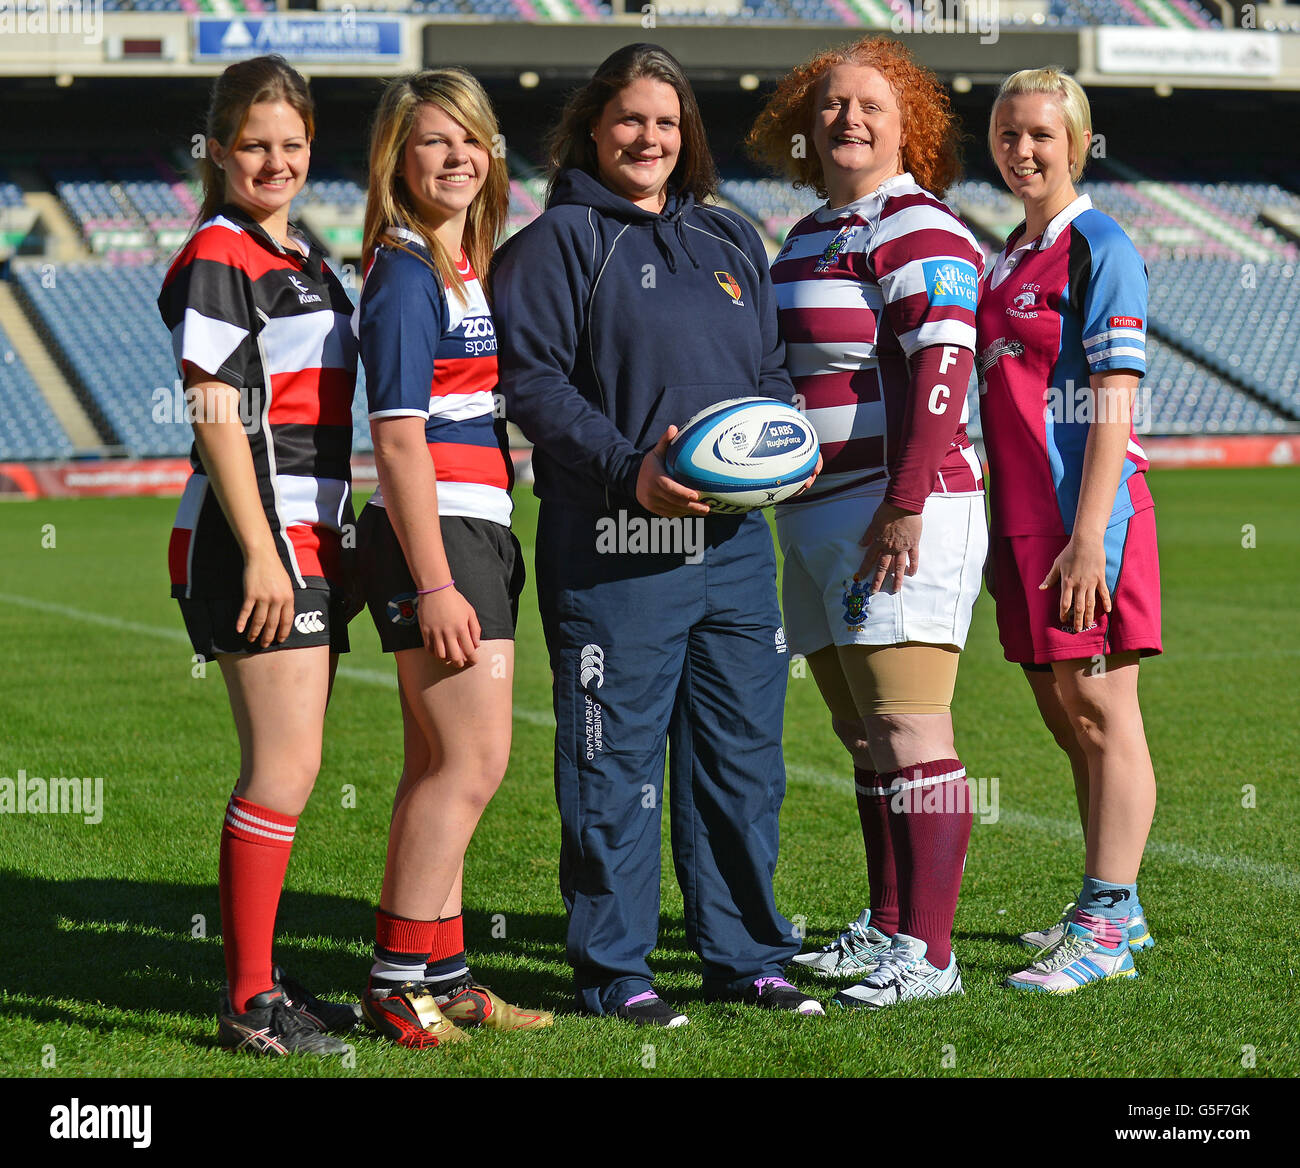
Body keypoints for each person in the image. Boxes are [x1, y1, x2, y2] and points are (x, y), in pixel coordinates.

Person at [493, 42, 822, 1027]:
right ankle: (614, 971)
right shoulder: (553, 244)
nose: (648, 137)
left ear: (689, 139)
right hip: (615, 555)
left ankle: (747, 958)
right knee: (613, 769)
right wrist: (628, 471)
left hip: (731, 556)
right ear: (592, 128)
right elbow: (536, 387)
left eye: (667, 123)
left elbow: (767, 375)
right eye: (630, 119)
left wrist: (786, 444)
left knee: (741, 763)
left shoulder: (729, 241)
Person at [748, 36, 986, 1009]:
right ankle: (887, 926)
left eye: (869, 107)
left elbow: (944, 364)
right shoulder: (806, 233)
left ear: (907, 127)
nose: (848, 120)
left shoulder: (920, 225)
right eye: (831, 106)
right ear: (806, 126)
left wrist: (905, 501)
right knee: (860, 729)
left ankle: (930, 954)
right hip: (812, 512)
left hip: (899, 508)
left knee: (909, 721)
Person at [157, 55, 362, 1055]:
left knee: (297, 762)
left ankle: (263, 978)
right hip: (258, 539)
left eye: (291, 144)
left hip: (309, 534)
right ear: (219, 151)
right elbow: (215, 411)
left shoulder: (306, 252)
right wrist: (264, 554)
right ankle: (248, 1002)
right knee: (282, 764)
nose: (275, 160)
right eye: (254, 145)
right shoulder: (219, 252)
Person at [353, 69, 552, 1047]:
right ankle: (396, 983)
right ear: (397, 159)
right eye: (434, 142)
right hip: (441, 536)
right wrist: (434, 578)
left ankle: (445, 972)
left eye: (470, 139)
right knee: (471, 762)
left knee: (441, 758)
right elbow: (395, 439)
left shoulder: (451, 259)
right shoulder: (400, 271)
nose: (458, 157)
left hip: (476, 527)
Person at [978, 67, 1159, 992]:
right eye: (1008, 134)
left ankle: (1108, 920)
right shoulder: (1006, 254)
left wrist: (1090, 534)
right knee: (1065, 715)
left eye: (1043, 134)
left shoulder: (1101, 244)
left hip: (1086, 520)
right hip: (1020, 523)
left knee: (1101, 708)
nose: (1023, 150)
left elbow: (1113, 402)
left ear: (1081, 143)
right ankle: (1108, 906)